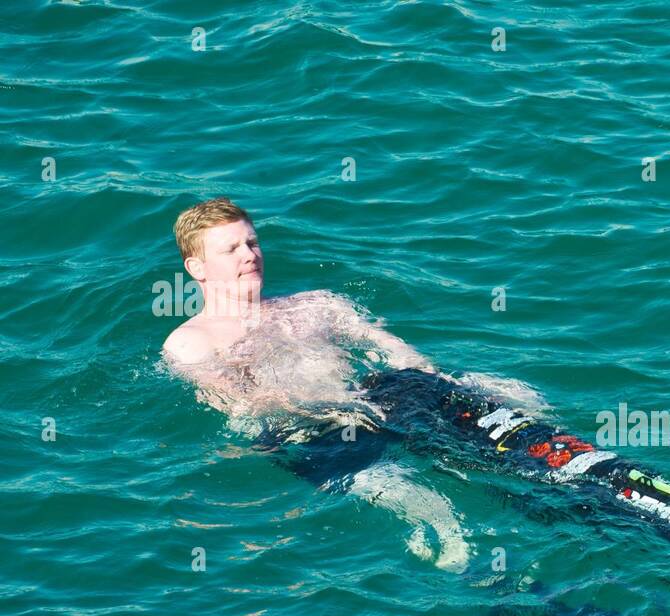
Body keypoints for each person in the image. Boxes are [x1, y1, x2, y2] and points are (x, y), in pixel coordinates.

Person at [161, 197, 543, 571]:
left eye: (252, 242)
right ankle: (468, 558)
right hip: (311, 433)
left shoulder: (316, 306)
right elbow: (244, 406)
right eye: (231, 249)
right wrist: (337, 407)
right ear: (197, 267)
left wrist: (433, 382)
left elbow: (399, 354)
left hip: (381, 401)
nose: (249, 254)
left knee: (509, 389)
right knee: (419, 498)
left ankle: (550, 462)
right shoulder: (192, 342)